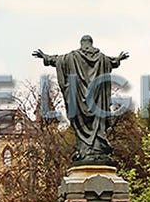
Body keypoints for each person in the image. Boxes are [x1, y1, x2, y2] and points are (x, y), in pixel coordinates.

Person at [33, 35, 128, 164]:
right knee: (97, 120)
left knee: (81, 119)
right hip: (98, 100)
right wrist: (118, 59)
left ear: (82, 43)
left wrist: (46, 57)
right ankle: (96, 148)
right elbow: (112, 62)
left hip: (79, 98)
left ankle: (86, 149)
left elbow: (58, 60)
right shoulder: (101, 58)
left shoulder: (72, 57)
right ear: (90, 43)